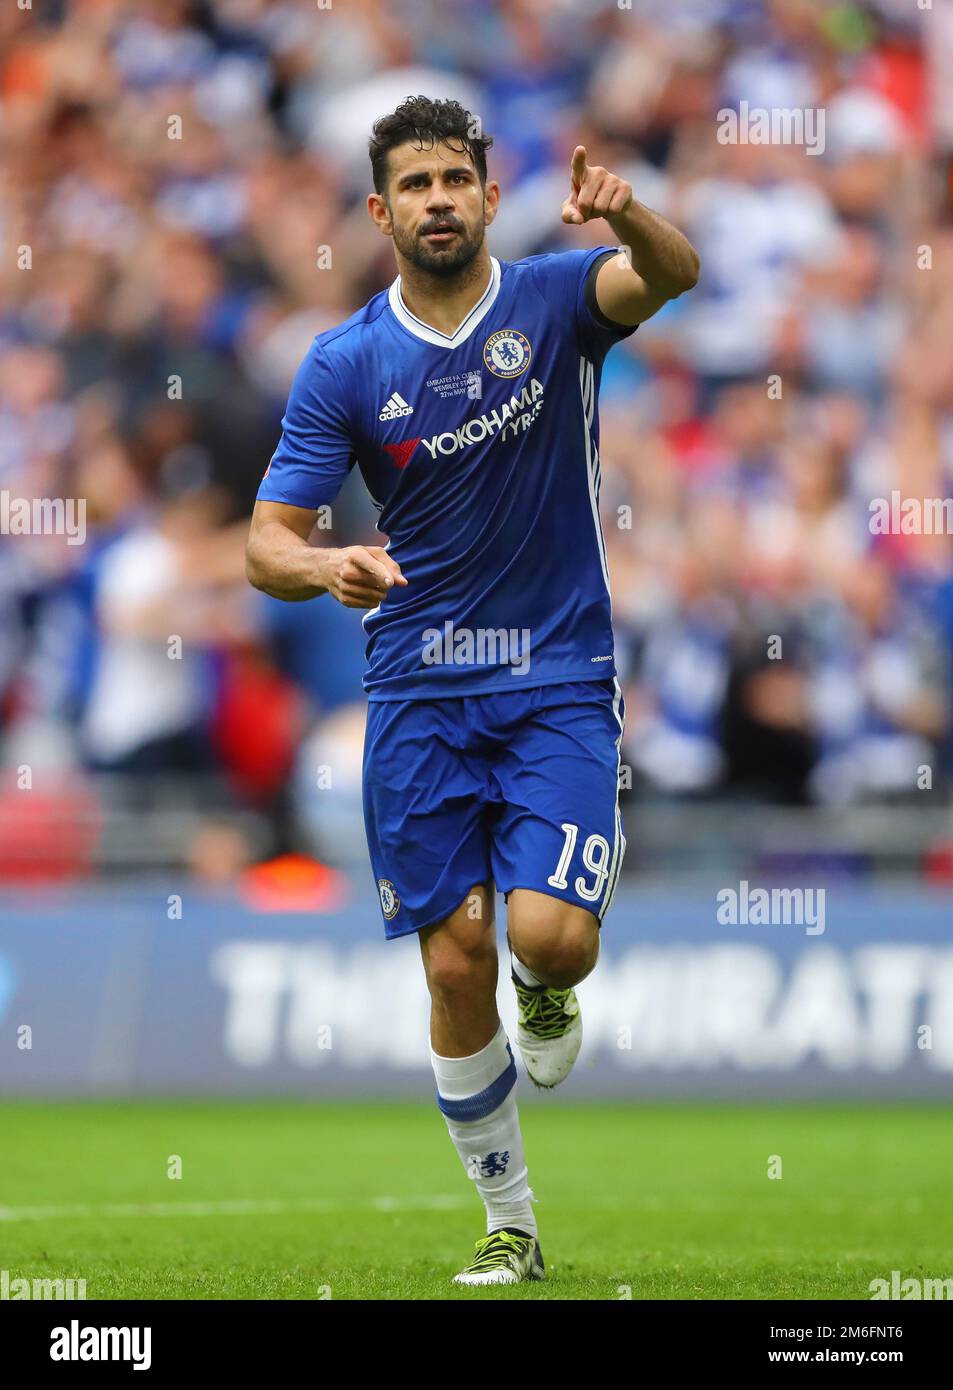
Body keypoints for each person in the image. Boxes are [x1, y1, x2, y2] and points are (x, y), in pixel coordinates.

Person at [245, 96, 699, 1285]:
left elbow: (674, 274)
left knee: (546, 938)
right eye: (416, 184)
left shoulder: (556, 301)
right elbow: (263, 543)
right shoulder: (345, 361)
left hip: (555, 673)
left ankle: (545, 991)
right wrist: (323, 562)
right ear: (379, 208)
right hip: (415, 690)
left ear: (490, 196)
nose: (437, 199)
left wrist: (631, 215)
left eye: (457, 179)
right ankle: (512, 1223)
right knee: (452, 962)